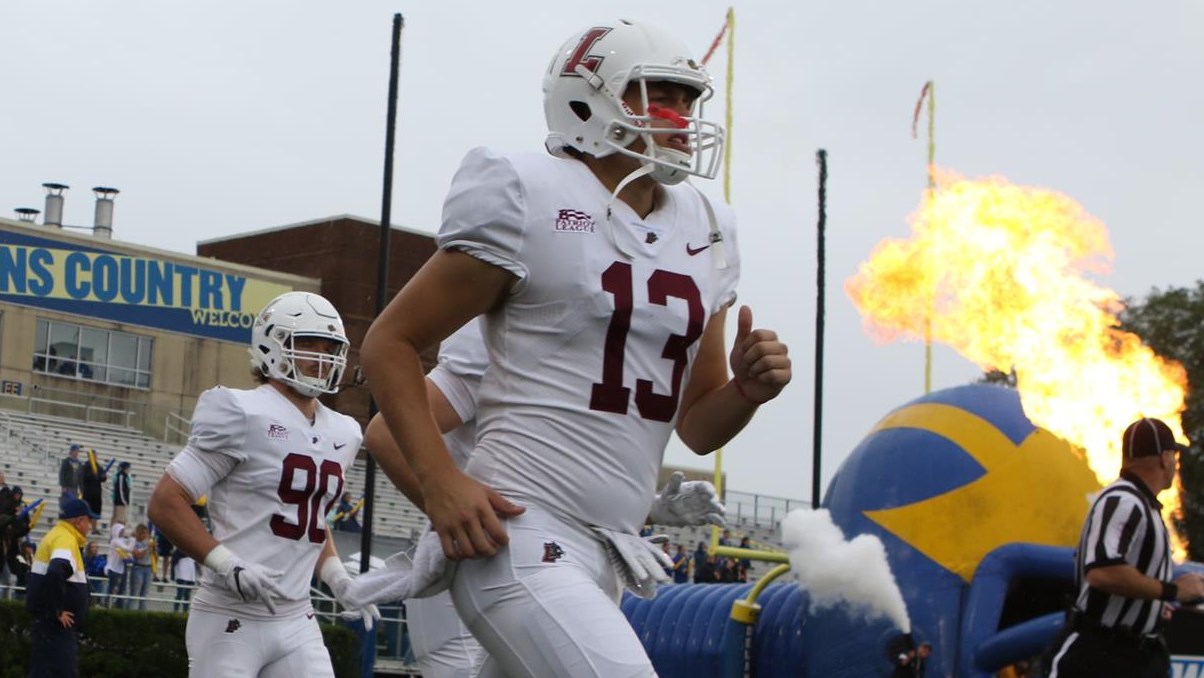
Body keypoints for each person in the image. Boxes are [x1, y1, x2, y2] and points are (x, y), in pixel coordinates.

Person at [358, 19, 790, 677]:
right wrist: (442, 484)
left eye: (689, 98)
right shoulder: (527, 191)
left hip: (609, 552)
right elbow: (391, 340)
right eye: (657, 93)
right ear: (586, 99)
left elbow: (699, 426)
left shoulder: (709, 229)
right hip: (522, 533)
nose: (681, 116)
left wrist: (748, 393)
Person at [146, 291, 378, 677]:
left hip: (296, 617)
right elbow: (166, 502)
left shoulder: (345, 431)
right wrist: (227, 564)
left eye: (330, 346)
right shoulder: (240, 411)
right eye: (308, 344)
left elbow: (308, 518)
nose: (321, 357)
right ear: (272, 344)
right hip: (229, 616)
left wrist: (336, 576)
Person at [1043, 417, 1204, 677]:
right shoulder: (1123, 500)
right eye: (1174, 456)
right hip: (1098, 655)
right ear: (1164, 458)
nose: (1176, 464)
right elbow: (1102, 572)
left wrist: (1157, 605)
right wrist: (1172, 590)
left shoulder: (1145, 506)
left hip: (1137, 654)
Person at [25, 497, 98, 678]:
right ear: (79, 521)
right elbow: (57, 570)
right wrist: (56, 611)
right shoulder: (65, 538)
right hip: (55, 627)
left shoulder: (59, 535)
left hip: (48, 625)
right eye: (89, 521)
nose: (90, 526)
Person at [104, 521, 134, 609]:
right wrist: (133, 539)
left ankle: (119, 606)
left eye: (123, 530)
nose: (122, 532)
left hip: (121, 568)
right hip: (113, 568)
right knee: (111, 588)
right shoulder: (115, 541)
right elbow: (128, 549)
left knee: (122, 589)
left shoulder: (122, 541)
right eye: (120, 531)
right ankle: (107, 605)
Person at [128, 523, 154, 610]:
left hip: (148, 568)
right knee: (135, 593)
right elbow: (137, 556)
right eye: (143, 533)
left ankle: (142, 612)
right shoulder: (135, 543)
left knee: (144, 594)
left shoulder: (149, 542)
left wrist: (154, 548)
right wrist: (147, 548)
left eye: (146, 533)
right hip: (138, 568)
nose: (145, 535)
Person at [79, 448, 108, 527]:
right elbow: (85, 477)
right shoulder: (85, 466)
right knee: (87, 511)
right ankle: (86, 527)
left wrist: (101, 477)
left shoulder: (98, 467)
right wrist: (95, 476)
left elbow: (103, 477)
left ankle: (94, 528)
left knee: (95, 512)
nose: (95, 457)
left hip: (96, 492)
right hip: (88, 492)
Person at [172, 547, 197, 613]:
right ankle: (176, 610)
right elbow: (175, 559)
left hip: (190, 573)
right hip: (181, 573)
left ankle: (185, 611)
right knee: (180, 594)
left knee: (187, 595)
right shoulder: (180, 549)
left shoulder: (194, 550)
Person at [111, 461, 132, 526]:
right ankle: (119, 535)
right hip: (120, 502)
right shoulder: (121, 476)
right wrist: (124, 500)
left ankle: (115, 534)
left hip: (120, 501)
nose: (129, 470)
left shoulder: (124, 477)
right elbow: (120, 489)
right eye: (128, 468)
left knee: (118, 518)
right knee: (121, 520)